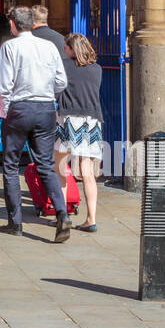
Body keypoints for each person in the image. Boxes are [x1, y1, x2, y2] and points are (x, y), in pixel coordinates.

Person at [0, 5, 70, 242]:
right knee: (45, 164)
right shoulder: (49, 46)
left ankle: (14, 222)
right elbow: (61, 81)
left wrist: (5, 110)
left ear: (13, 24)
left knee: (10, 165)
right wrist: (46, 93)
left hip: (19, 108)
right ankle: (61, 213)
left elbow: (4, 84)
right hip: (45, 108)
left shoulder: (10, 46)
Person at [56, 33, 104, 232]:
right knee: (88, 172)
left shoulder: (65, 67)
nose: (64, 51)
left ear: (71, 49)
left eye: (66, 48)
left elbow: (57, 89)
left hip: (69, 119)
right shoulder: (97, 69)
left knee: (59, 167)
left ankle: (63, 216)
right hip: (92, 121)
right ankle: (91, 218)